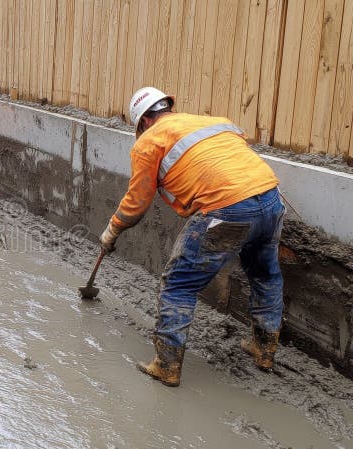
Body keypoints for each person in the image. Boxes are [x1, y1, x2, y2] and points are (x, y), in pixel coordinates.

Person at [100, 87, 285, 387]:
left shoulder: (149, 141)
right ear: (167, 107)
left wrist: (113, 229)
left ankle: (167, 366)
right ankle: (264, 350)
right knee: (266, 274)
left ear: (144, 120)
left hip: (226, 210)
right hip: (271, 199)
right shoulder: (212, 122)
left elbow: (137, 202)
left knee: (179, 284)